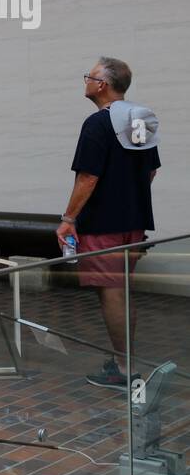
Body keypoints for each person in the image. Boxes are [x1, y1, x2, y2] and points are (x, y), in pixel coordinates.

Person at [56, 57, 160, 390]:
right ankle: (122, 360)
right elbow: (151, 170)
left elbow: (87, 177)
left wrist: (68, 219)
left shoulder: (97, 123)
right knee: (122, 291)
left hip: (103, 224)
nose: (85, 80)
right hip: (135, 221)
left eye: (89, 76)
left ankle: (123, 369)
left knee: (111, 294)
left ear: (102, 85)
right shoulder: (140, 118)